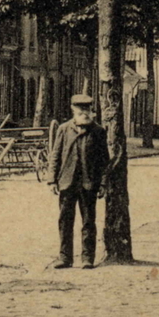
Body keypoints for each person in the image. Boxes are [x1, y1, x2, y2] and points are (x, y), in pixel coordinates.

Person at [48, 93, 109, 269]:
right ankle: (65, 257)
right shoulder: (64, 129)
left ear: (91, 110)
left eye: (87, 109)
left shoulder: (98, 131)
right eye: (80, 109)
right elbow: (55, 156)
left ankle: (87, 258)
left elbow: (104, 160)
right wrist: (52, 180)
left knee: (88, 222)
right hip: (67, 182)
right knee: (65, 221)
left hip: (89, 183)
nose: (84, 112)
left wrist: (103, 183)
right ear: (73, 109)